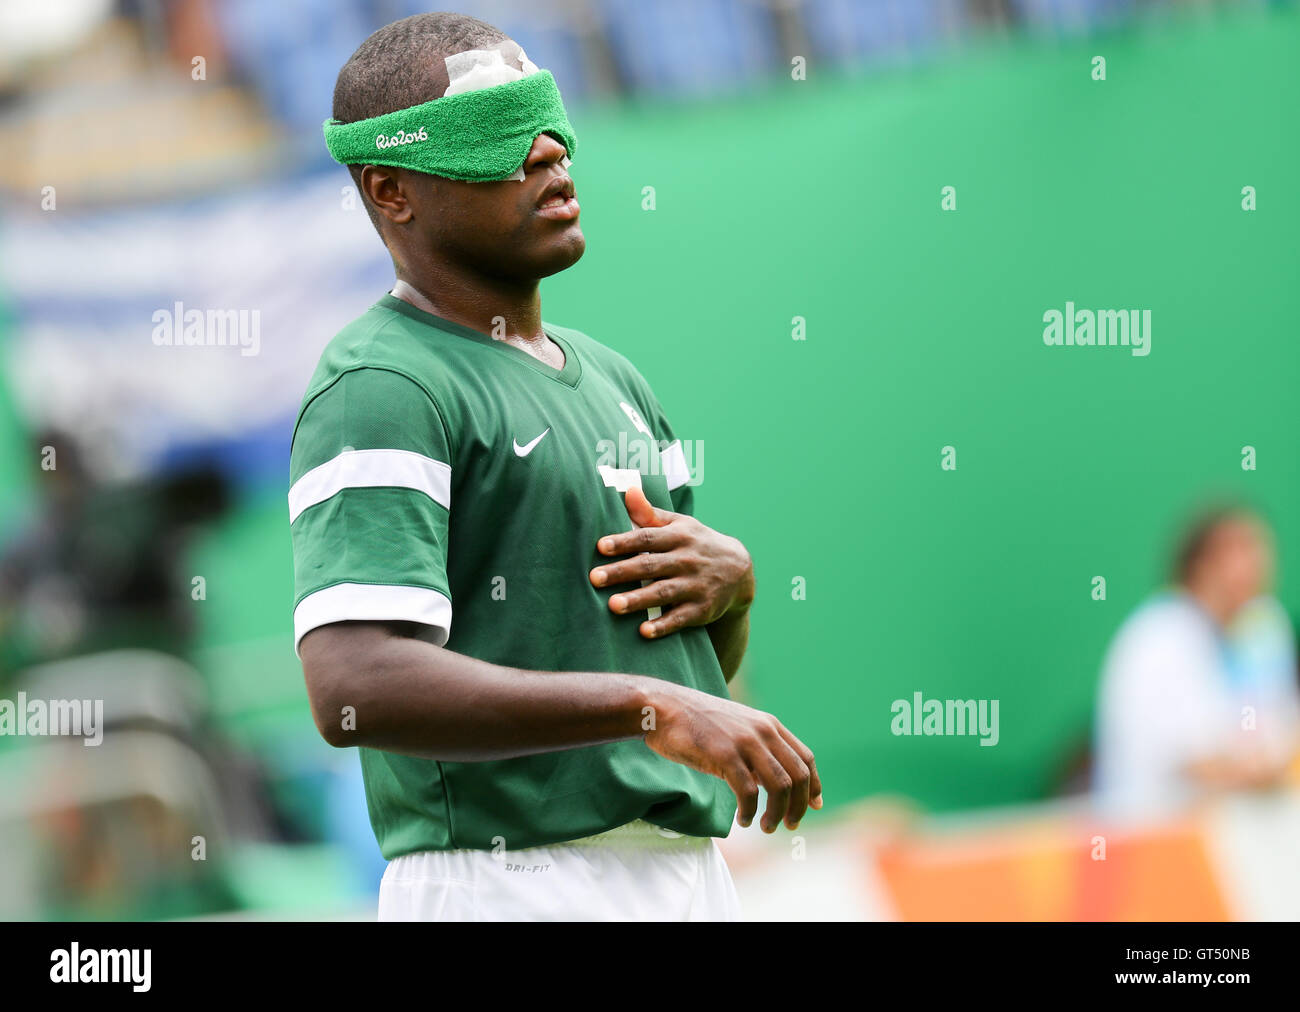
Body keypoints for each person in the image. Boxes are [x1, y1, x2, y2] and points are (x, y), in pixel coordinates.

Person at [288, 12, 821, 922]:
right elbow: (353, 687)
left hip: (685, 872)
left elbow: (690, 671)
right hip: (509, 882)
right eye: (495, 134)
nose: (546, 151)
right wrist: (646, 706)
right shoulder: (383, 384)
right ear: (391, 187)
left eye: (547, 119)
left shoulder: (616, 380)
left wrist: (731, 590)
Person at [1094, 505, 1300, 817]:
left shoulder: (1265, 627)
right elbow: (1199, 765)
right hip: (1153, 841)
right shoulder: (1157, 639)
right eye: (1237, 550)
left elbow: (1283, 736)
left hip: (1244, 841)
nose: (1255, 563)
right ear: (1200, 565)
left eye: (1258, 548)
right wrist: (1268, 770)